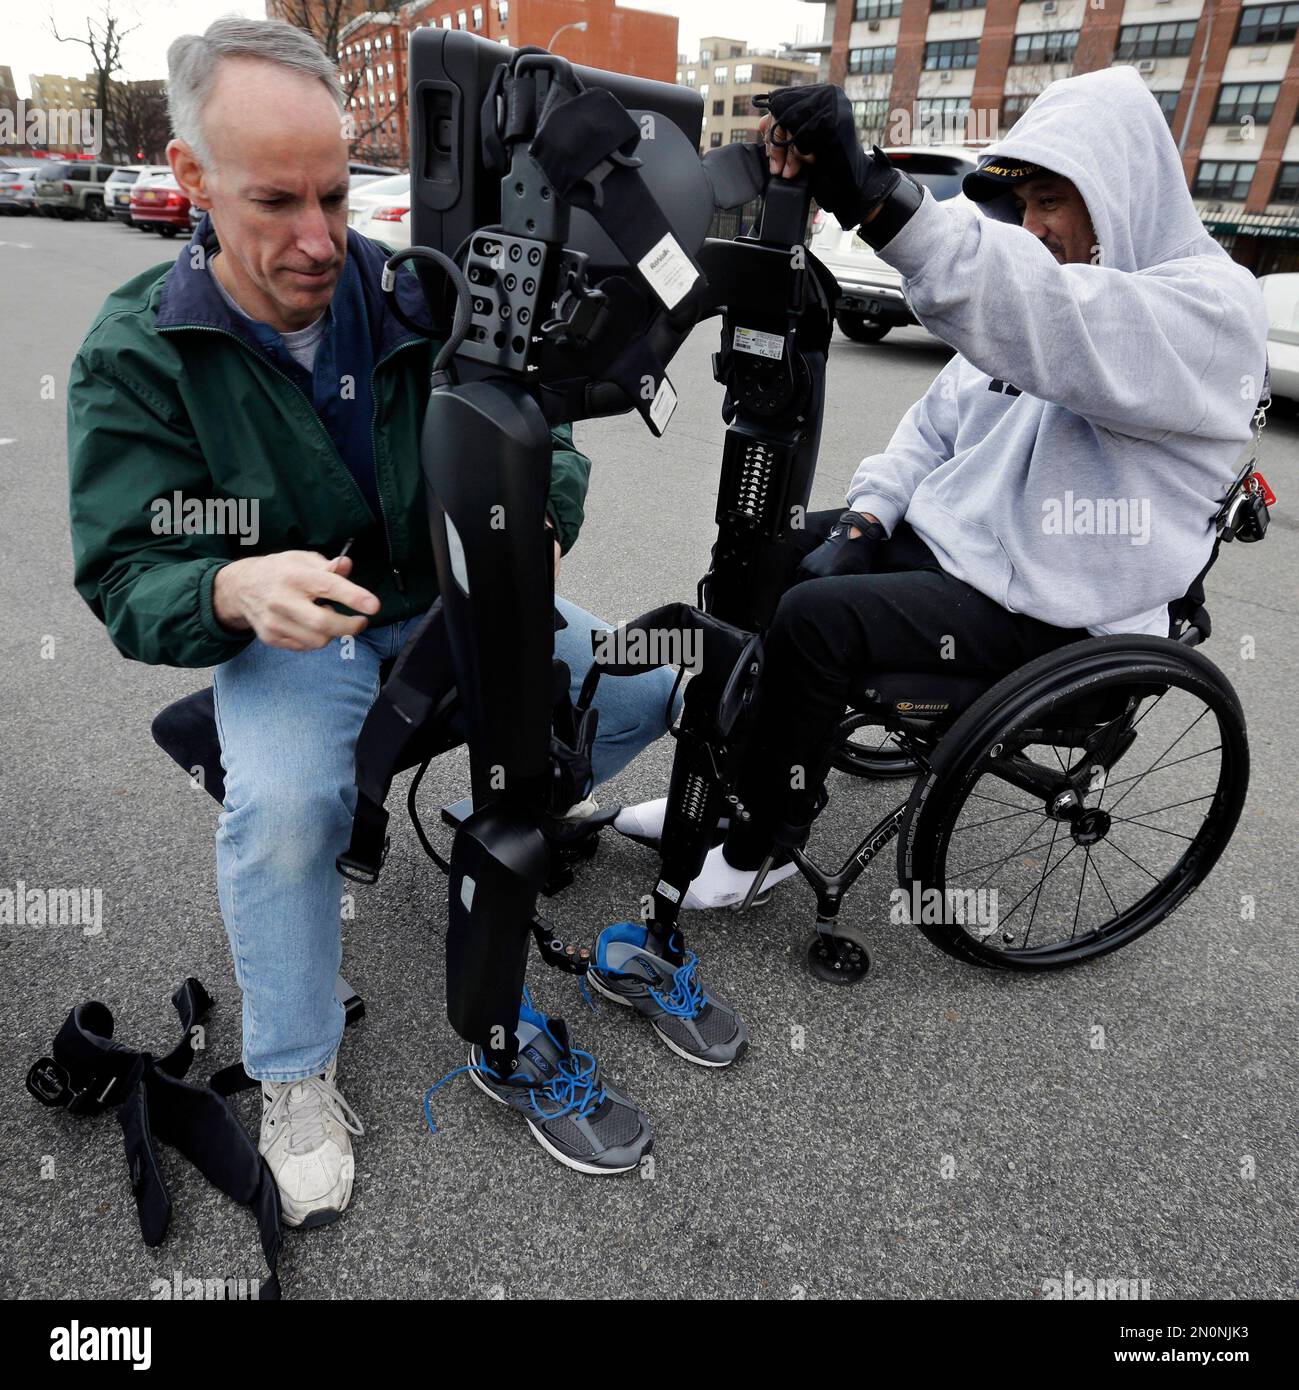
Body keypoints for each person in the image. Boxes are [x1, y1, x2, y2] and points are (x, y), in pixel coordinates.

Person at [67, 18, 676, 1211]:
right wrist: (226, 586)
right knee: (290, 809)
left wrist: (540, 511)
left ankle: (470, 814)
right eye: (275, 202)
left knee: (642, 683)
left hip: (455, 597)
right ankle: (295, 1068)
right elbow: (124, 570)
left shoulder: (415, 286)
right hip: (301, 643)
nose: (316, 239)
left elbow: (532, 425)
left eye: (336, 195)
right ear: (190, 179)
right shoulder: (138, 354)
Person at [616, 65, 1268, 909]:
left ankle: (760, 844)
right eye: (1023, 206)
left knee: (815, 621)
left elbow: (1039, 310)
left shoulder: (1203, 310)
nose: (1032, 228)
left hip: (1056, 606)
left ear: (1119, 193)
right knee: (756, 554)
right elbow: (931, 425)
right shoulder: (1052, 299)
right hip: (963, 547)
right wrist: (865, 518)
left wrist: (872, 190)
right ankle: (726, 786)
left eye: (1051, 203)